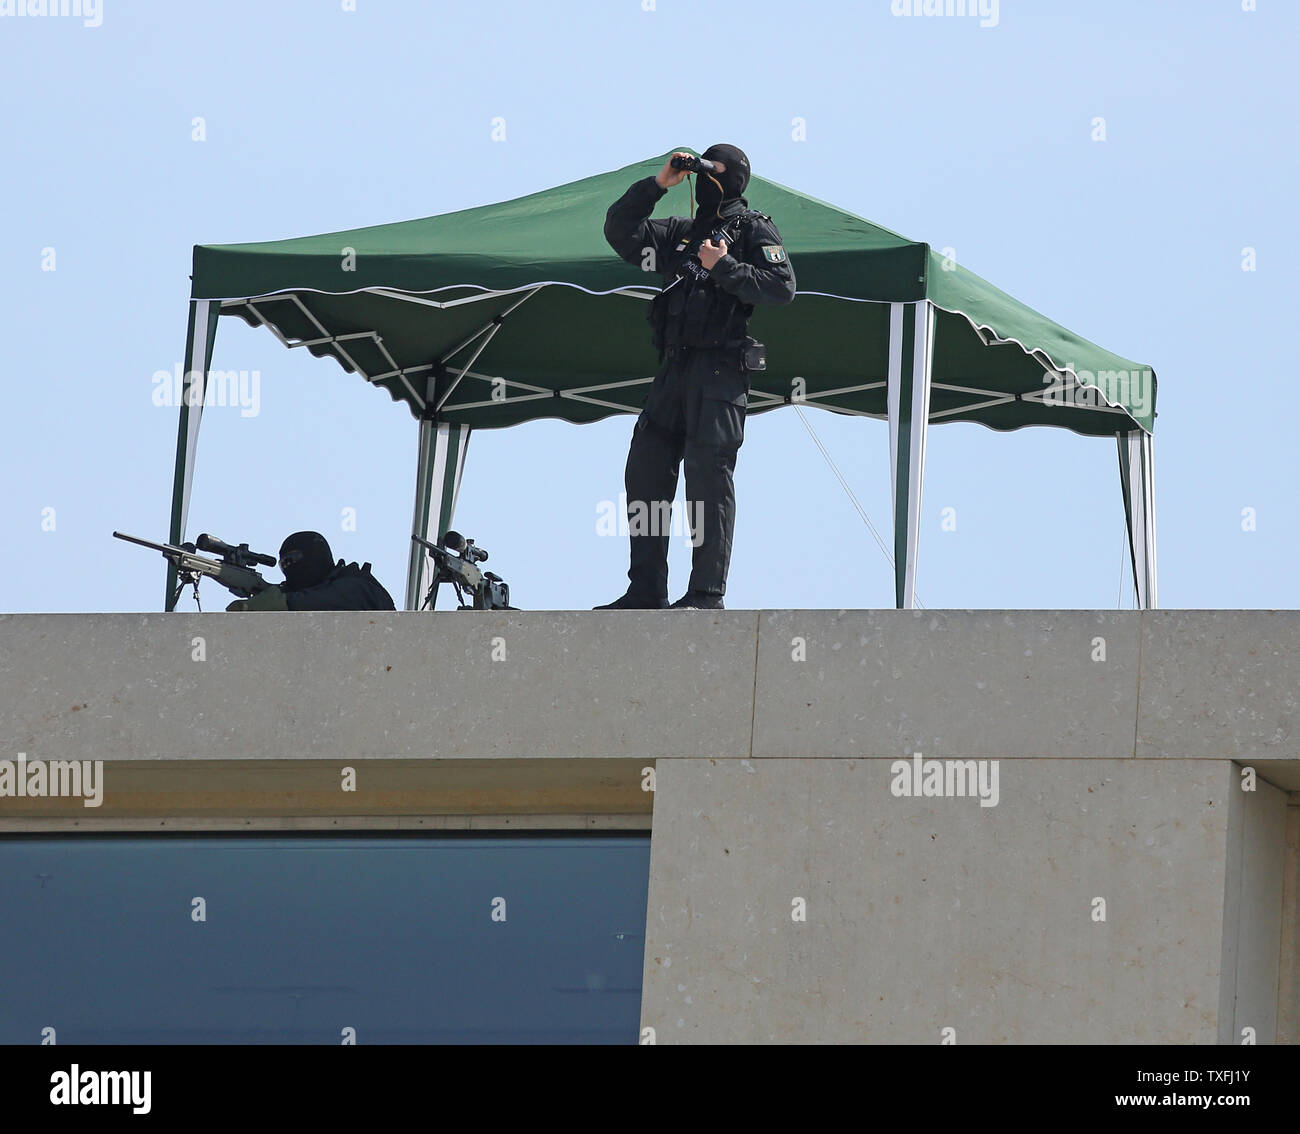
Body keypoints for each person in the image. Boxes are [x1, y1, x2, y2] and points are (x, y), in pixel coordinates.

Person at [597, 144, 795, 610]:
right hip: (673, 370)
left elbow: (781, 287)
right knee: (645, 472)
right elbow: (621, 231)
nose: (705, 175)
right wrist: (657, 185)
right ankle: (646, 589)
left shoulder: (752, 227)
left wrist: (722, 266)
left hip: (720, 371)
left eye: (714, 168)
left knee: (708, 479)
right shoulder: (682, 234)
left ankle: (706, 592)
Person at [226, 531, 396, 611]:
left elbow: (321, 600)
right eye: (283, 564)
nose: (288, 568)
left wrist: (265, 603)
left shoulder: (359, 586)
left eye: (291, 560)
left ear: (315, 554)